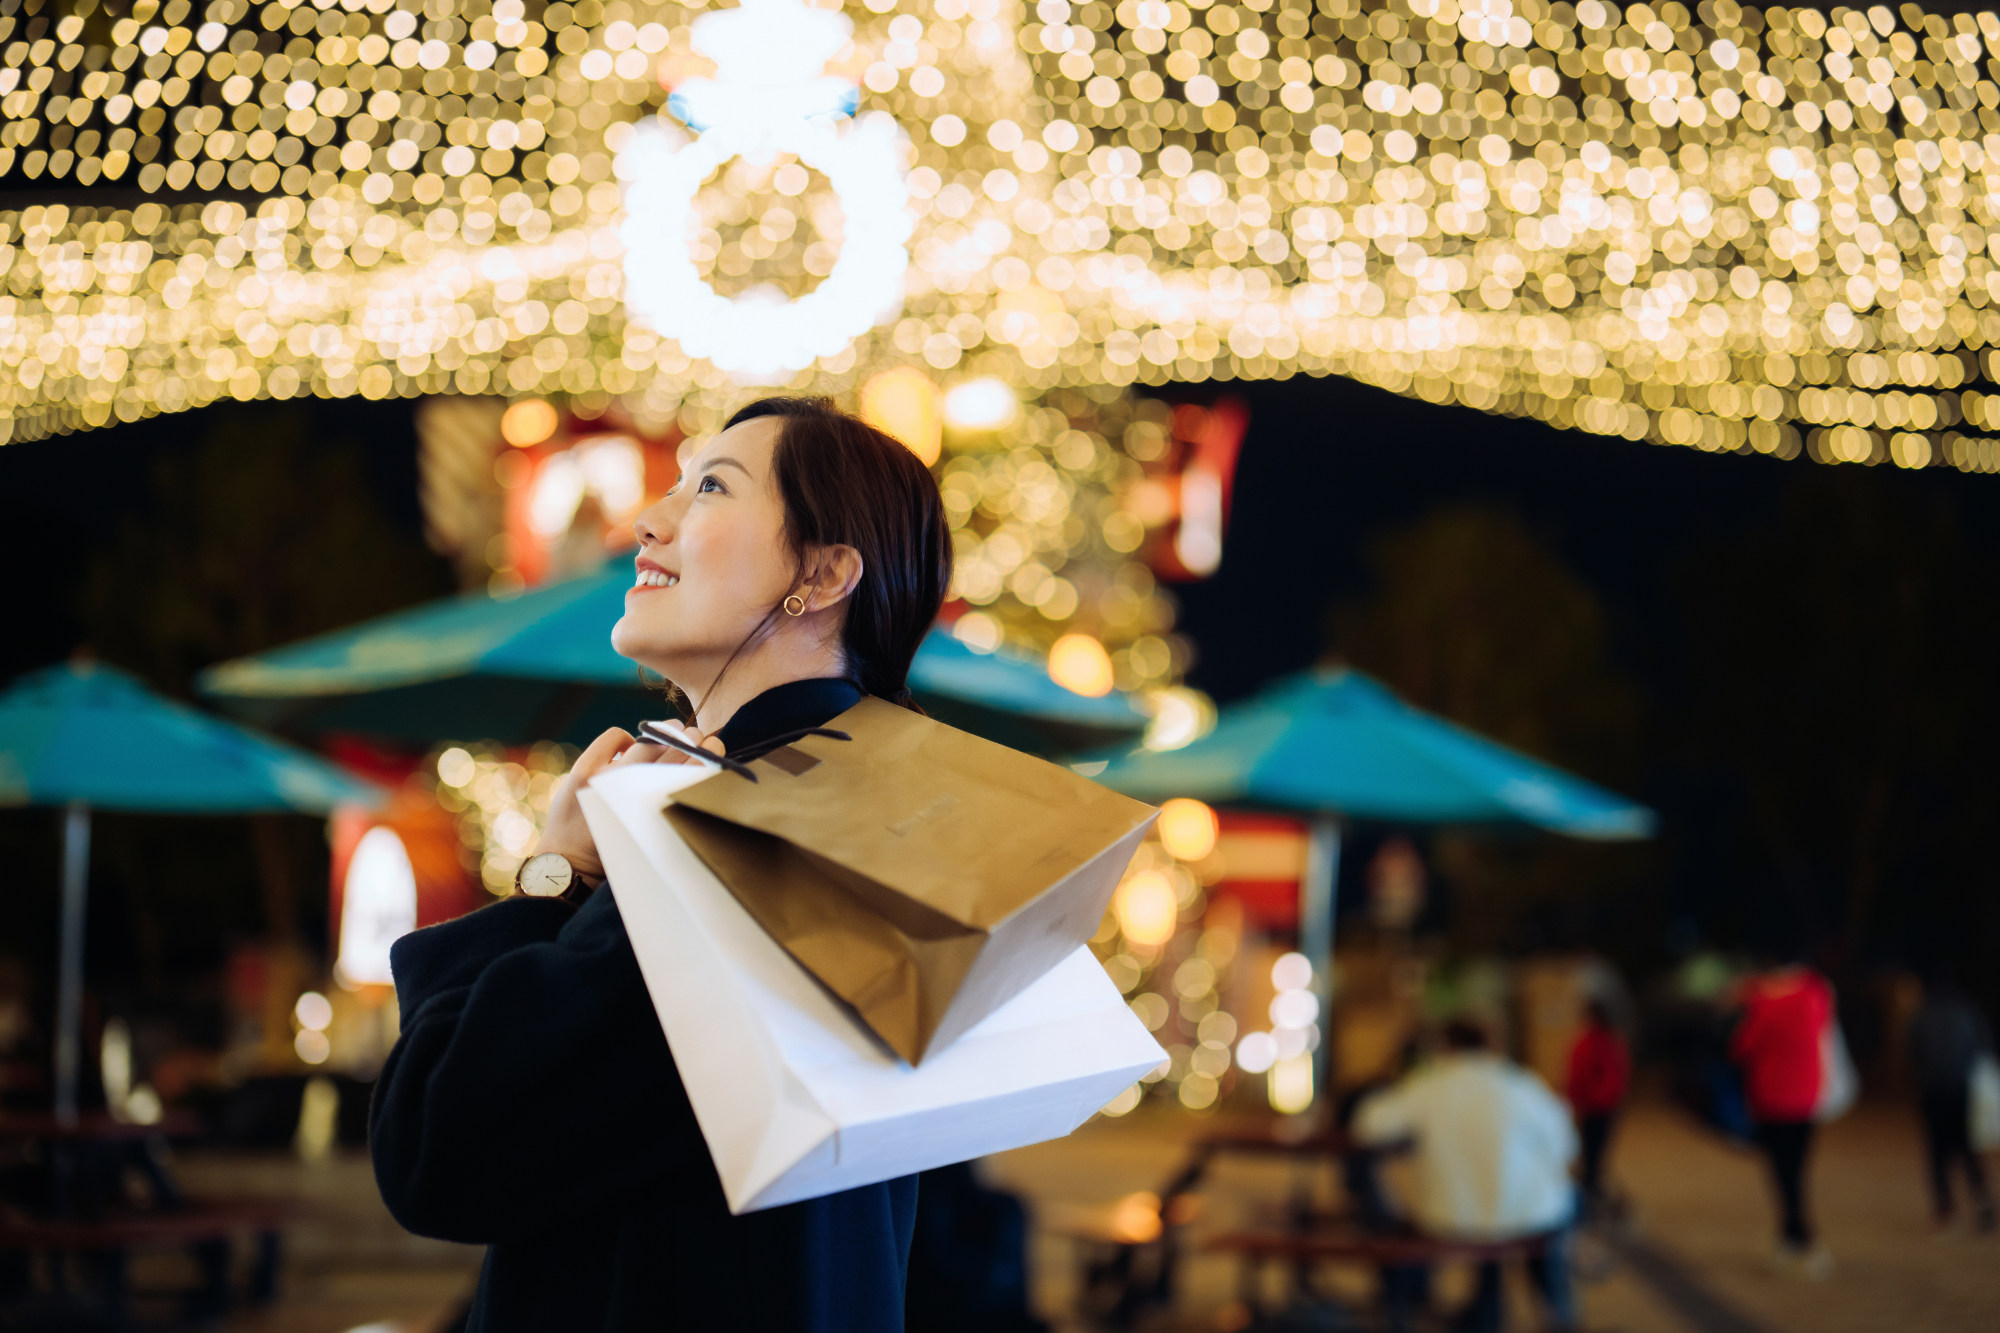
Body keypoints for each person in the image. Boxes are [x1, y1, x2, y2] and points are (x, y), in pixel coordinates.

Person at [370, 398, 951, 1332]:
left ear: (824, 570)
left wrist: (557, 871)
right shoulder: (868, 814)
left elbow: (438, 1146)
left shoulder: (730, 835)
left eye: (711, 486)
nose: (649, 516)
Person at [1355, 1018, 1578, 1333]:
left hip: (1453, 1215)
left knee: (1457, 1227)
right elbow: (1565, 1144)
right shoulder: (1520, 1083)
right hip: (1528, 1215)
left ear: (1446, 1046)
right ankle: (1557, 1311)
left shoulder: (1430, 1084)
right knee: (1553, 1214)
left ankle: (1480, 1310)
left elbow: (1370, 1125)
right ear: (1492, 1045)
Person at [1729, 957, 1836, 1277]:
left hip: (1771, 1098)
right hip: (1807, 1095)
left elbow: (1742, 1046)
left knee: (1781, 1170)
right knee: (1797, 1167)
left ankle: (1800, 1235)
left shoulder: (1763, 1003)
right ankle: (1794, 1236)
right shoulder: (1816, 994)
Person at [1907, 966, 1996, 1232]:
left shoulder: (1921, 1015)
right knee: (1967, 1149)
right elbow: (1983, 1047)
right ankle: (1982, 1201)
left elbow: (1912, 1055)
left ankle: (1946, 1211)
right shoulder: (1966, 1011)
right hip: (1962, 1090)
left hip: (1932, 1091)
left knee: (1937, 1153)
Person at [1565, 997, 1630, 1215]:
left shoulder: (1588, 1041)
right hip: (1605, 1104)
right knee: (1597, 1149)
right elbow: (1619, 1073)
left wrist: (1576, 1099)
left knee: (1590, 1150)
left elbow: (1577, 1074)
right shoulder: (1611, 1040)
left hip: (1593, 1105)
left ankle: (1589, 1192)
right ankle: (1591, 1189)